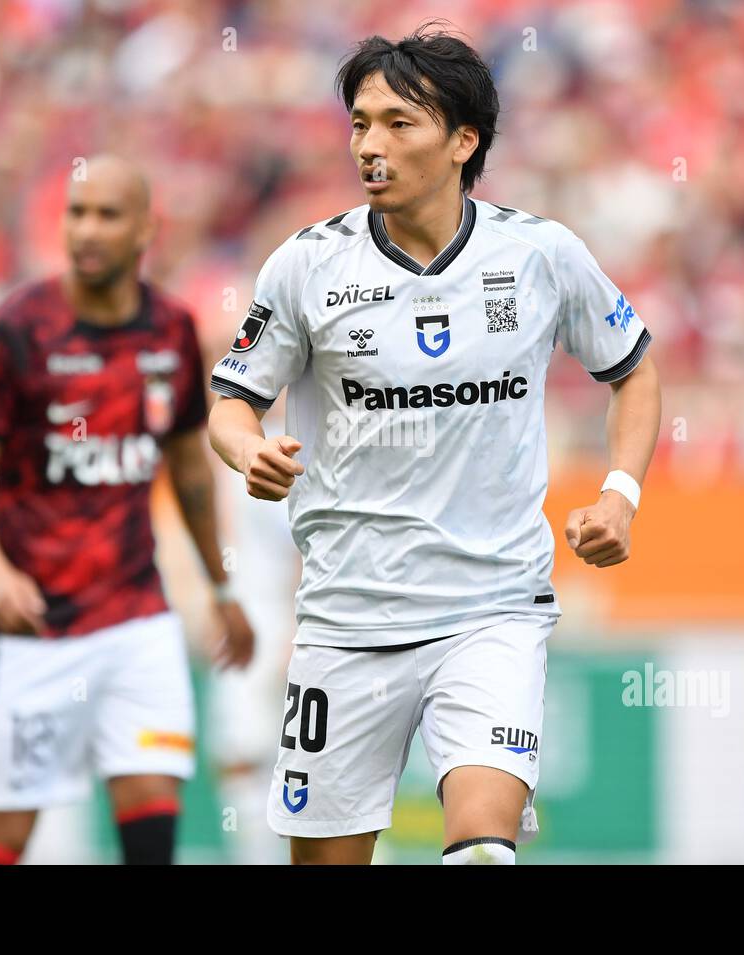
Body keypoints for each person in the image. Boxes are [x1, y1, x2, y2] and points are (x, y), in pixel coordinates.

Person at [207, 24, 663, 865]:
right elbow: (232, 400)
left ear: (463, 140)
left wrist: (620, 493)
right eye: (359, 124)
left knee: (483, 850)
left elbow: (632, 371)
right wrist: (249, 452)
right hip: (345, 618)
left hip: (491, 611)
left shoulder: (540, 255)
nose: (370, 146)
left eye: (397, 124)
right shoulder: (305, 268)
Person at [0, 155, 253, 865]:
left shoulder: (171, 331)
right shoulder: (17, 331)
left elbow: (188, 470)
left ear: (146, 229)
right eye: (76, 212)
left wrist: (221, 586)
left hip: (136, 618)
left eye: (107, 214)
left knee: (151, 827)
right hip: (31, 623)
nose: (86, 229)